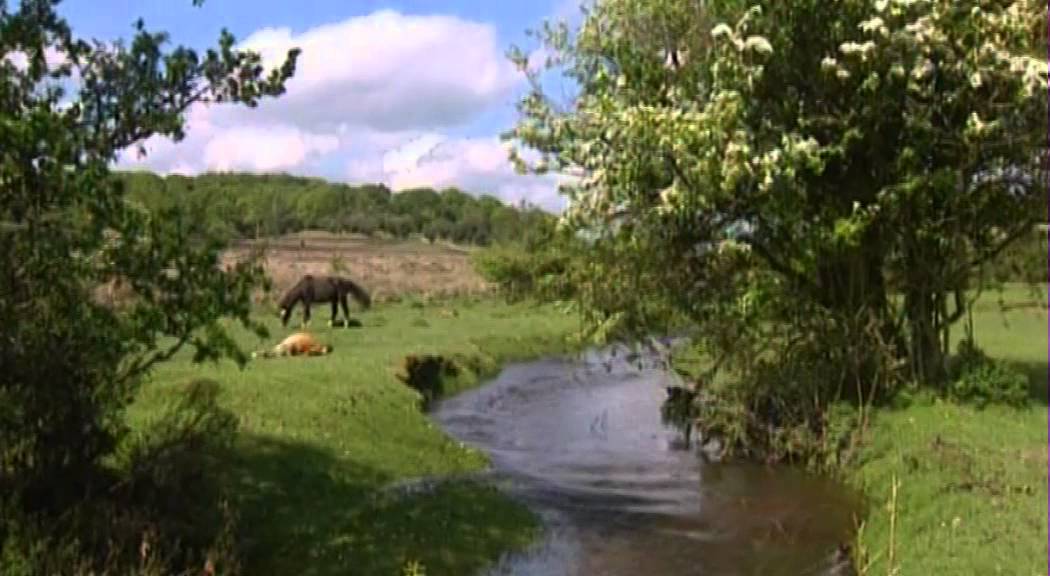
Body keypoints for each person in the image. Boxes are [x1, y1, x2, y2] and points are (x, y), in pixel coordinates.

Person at [252, 331, 332, 359]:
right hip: (288, 345)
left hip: (288, 343)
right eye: (323, 350)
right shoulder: (313, 344)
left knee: (275, 353)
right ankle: (259, 354)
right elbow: (307, 352)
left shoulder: (312, 341)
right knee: (276, 354)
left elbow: (306, 351)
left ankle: (259, 354)